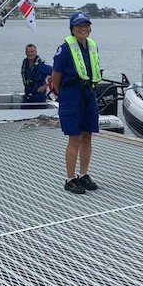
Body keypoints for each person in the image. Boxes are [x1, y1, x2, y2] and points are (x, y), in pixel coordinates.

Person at [50, 12, 101, 194]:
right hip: (71, 94)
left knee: (87, 136)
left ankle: (84, 174)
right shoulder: (64, 49)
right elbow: (55, 77)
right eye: (79, 26)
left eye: (86, 25)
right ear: (72, 29)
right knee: (75, 138)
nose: (83, 29)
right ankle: (70, 178)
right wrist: (62, 95)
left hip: (89, 94)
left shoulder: (92, 46)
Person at [21, 43, 52, 108]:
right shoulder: (25, 63)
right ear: (25, 52)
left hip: (38, 97)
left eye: (32, 52)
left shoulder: (42, 65)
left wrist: (46, 85)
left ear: (36, 52)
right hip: (27, 96)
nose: (30, 54)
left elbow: (55, 73)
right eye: (28, 52)